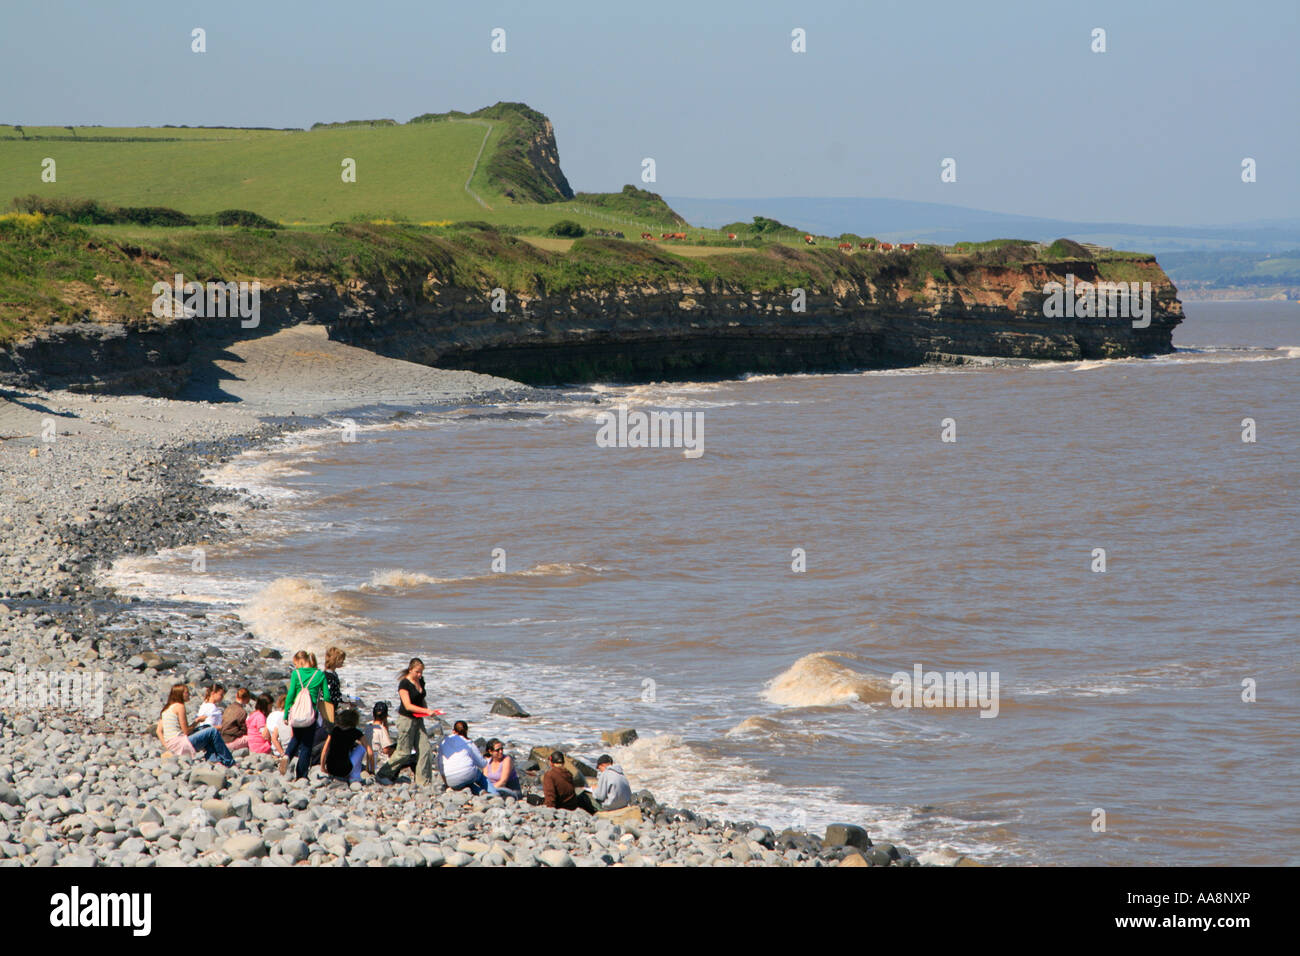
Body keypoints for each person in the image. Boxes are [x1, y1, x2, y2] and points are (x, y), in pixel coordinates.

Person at [377, 658, 436, 786]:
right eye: (417, 672)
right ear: (410, 670)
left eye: (421, 672)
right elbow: (407, 705)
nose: (419, 675)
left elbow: (421, 699)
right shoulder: (404, 684)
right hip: (406, 720)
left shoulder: (421, 681)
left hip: (418, 720)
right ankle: (383, 773)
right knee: (404, 752)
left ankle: (423, 782)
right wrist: (426, 711)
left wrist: (427, 711)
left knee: (425, 749)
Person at [280, 650, 333, 780]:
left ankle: (287, 755)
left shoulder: (296, 674)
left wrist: (286, 713)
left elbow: (291, 695)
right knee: (306, 746)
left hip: (297, 712)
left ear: (302, 661)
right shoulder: (320, 674)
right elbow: (327, 696)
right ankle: (301, 775)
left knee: (296, 737)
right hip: (310, 713)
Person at [156, 684, 234, 766]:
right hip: (180, 744)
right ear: (180, 694)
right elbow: (186, 731)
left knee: (206, 728)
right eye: (186, 692)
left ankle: (213, 760)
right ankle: (229, 761)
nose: (189, 694)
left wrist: (167, 746)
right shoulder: (180, 707)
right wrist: (197, 721)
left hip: (172, 744)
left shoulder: (167, 708)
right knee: (212, 731)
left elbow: (158, 731)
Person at [437, 720, 489, 793]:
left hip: (451, 779)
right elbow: (482, 764)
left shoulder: (444, 742)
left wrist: (447, 783)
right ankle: (493, 792)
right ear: (467, 730)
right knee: (476, 774)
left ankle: (480, 792)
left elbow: (440, 765)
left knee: (465, 782)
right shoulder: (467, 742)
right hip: (468, 774)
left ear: (453, 731)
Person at [321, 708, 370, 783]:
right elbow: (370, 752)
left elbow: (325, 750)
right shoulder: (356, 732)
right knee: (362, 747)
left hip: (331, 768)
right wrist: (370, 770)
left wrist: (323, 767)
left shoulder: (334, 730)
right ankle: (355, 776)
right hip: (344, 770)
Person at [365, 702, 395, 775]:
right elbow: (386, 750)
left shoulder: (368, 727)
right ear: (386, 716)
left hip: (368, 761)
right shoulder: (382, 730)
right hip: (378, 763)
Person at [220, 687, 252, 752]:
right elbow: (243, 731)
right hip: (232, 741)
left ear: (236, 696)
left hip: (223, 739)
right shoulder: (242, 712)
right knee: (253, 738)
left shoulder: (228, 708)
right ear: (246, 699)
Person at [266, 692, 292, 757]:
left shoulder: (271, 715)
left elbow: (266, 735)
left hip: (274, 749)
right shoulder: (286, 717)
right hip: (286, 750)